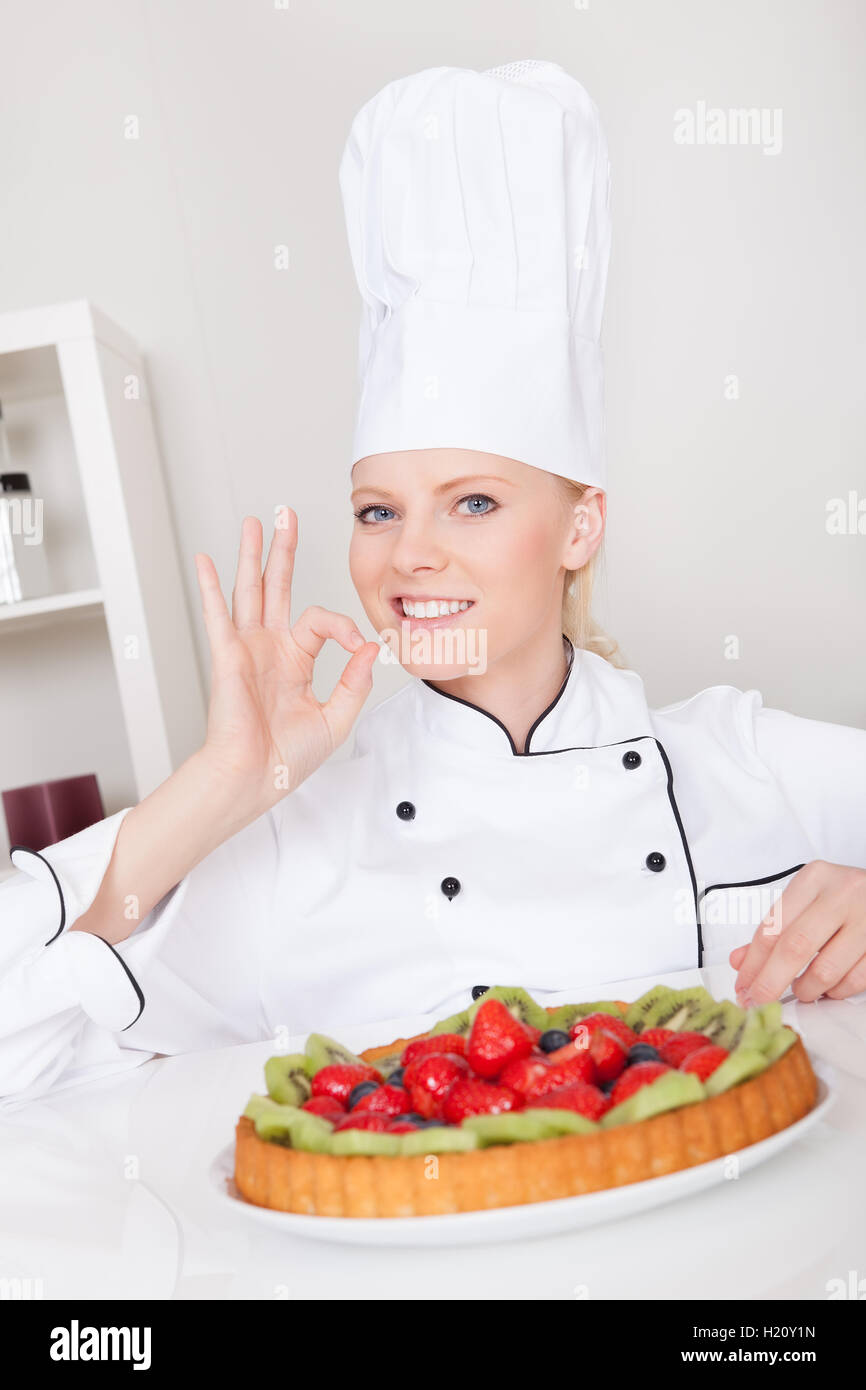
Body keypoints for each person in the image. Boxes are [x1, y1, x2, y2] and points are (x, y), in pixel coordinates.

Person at [1, 62, 864, 1108]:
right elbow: (21, 1048)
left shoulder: (731, 757)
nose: (408, 554)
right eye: (378, 510)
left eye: (471, 502)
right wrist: (222, 783)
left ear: (579, 525)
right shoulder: (302, 838)